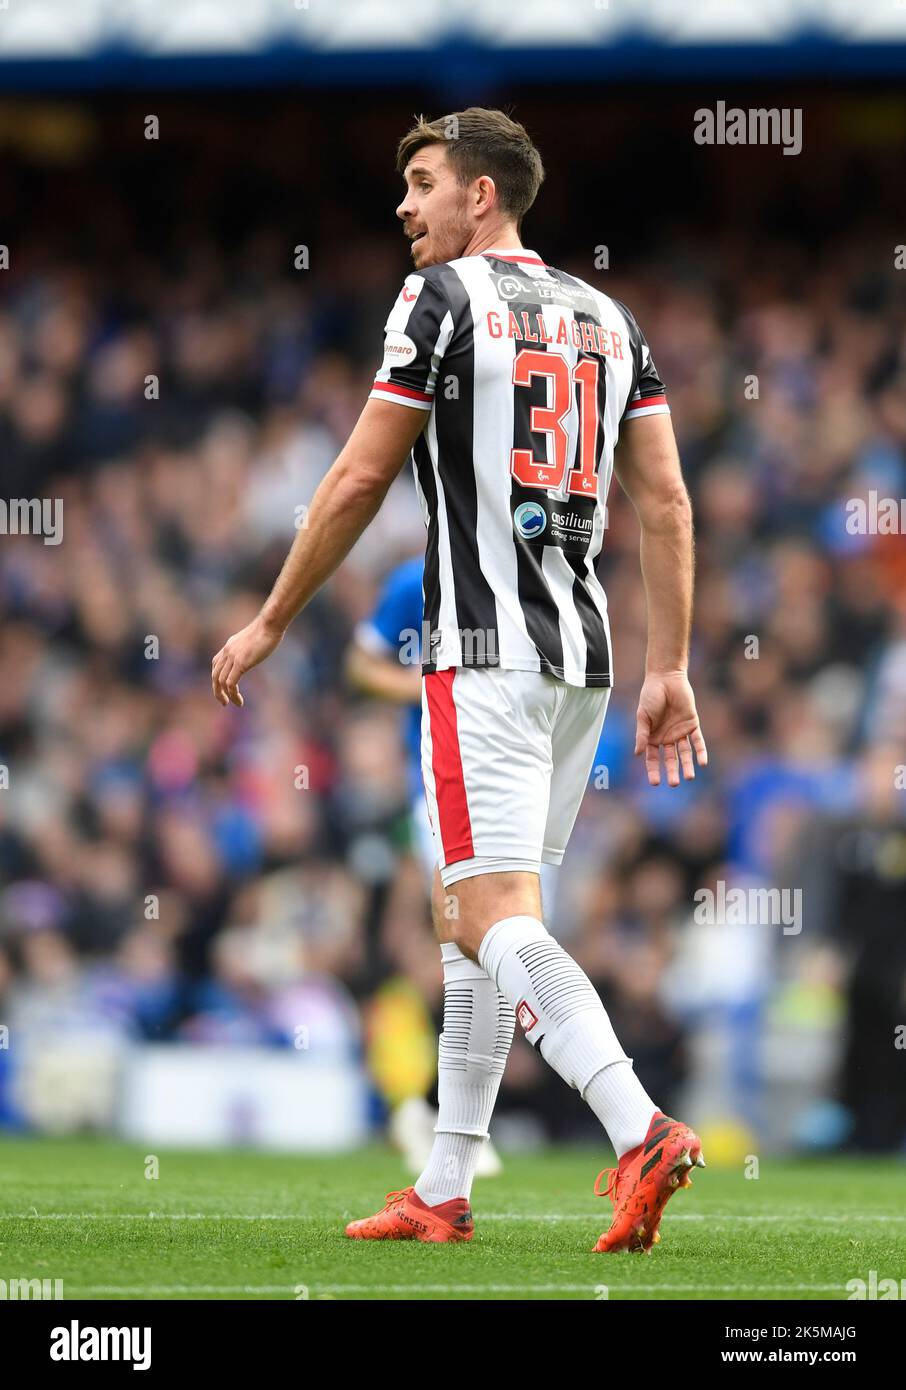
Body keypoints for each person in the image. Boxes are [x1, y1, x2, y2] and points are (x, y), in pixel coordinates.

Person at [211, 107, 708, 1254]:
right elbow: (669, 503)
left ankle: (637, 1127)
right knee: (469, 925)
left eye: (424, 184)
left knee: (490, 914)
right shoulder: (613, 317)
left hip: (480, 656)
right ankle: (444, 1184)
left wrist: (274, 615)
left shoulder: (436, 303)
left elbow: (355, 477)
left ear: (483, 197)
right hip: (584, 664)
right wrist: (671, 663)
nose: (405, 206)